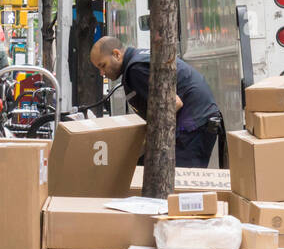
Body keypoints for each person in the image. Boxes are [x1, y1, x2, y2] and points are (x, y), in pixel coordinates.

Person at [89, 36, 221, 167]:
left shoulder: (136, 69)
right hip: (197, 120)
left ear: (116, 54)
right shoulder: (140, 58)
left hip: (192, 125)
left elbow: (173, 103)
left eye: (103, 65)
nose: (102, 73)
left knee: (179, 184)